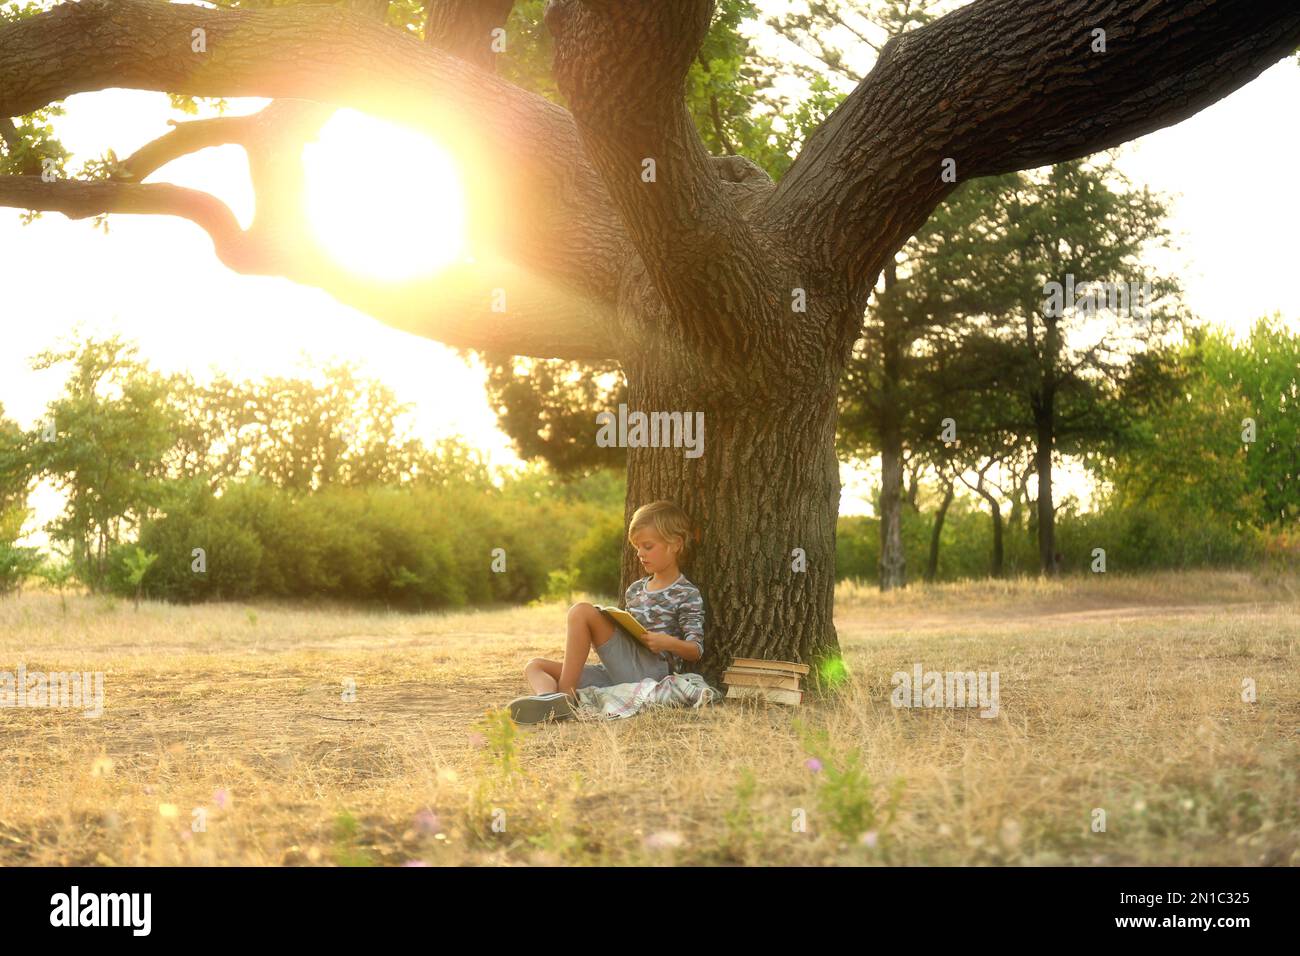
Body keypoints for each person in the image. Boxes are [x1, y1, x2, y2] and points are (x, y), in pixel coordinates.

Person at [507, 500, 705, 724]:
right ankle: (548, 700)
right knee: (535, 666)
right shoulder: (635, 590)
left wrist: (667, 642)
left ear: (676, 544)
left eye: (647, 546)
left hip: (651, 671)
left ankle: (565, 696)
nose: (640, 554)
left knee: (581, 612)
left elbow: (696, 650)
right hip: (617, 671)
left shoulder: (686, 593)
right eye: (637, 547)